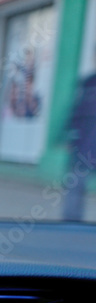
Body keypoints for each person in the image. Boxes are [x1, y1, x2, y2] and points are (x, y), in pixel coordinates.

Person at [63, 67, 96, 221]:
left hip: (85, 144)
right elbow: (78, 111)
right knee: (76, 185)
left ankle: (71, 221)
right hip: (85, 144)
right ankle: (71, 221)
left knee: (76, 184)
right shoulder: (89, 82)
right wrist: (69, 134)